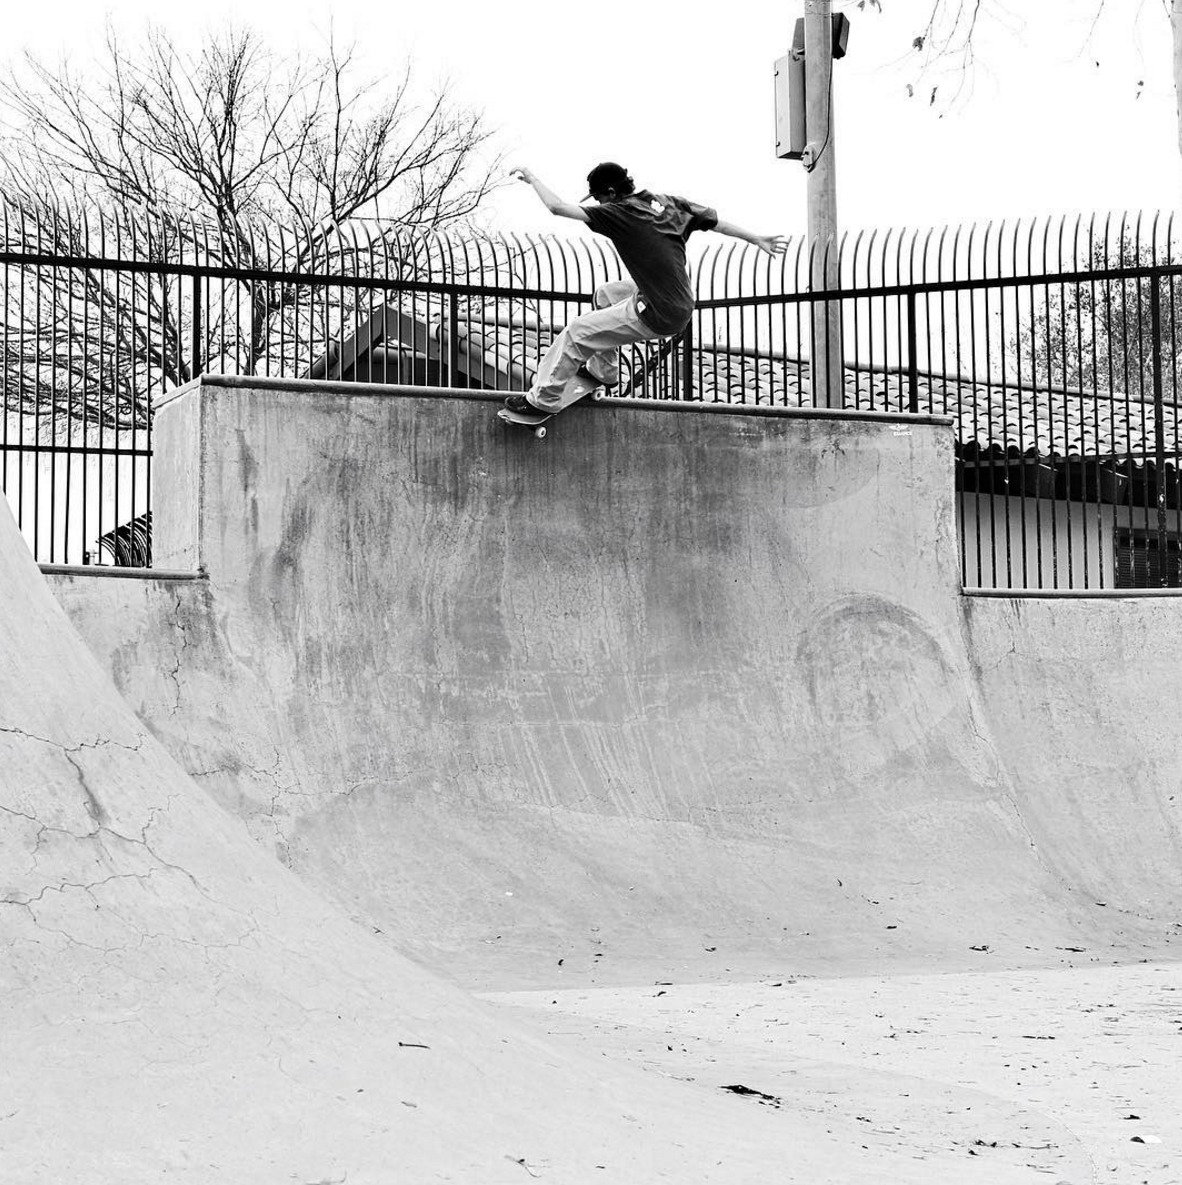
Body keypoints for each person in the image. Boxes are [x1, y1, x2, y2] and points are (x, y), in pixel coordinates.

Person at [504, 162, 787, 416]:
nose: (599, 205)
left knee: (577, 333)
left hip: (658, 311)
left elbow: (558, 208)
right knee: (606, 295)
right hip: (677, 298)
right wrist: (756, 238)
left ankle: (542, 399)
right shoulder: (669, 204)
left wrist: (533, 178)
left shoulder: (618, 212)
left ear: (612, 193)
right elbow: (717, 224)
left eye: (600, 198)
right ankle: (604, 371)